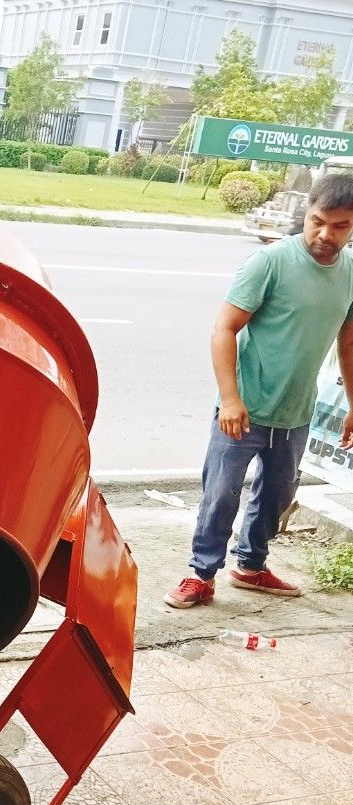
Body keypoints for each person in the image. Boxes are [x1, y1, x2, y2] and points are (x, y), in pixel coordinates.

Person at [164, 172, 353, 609]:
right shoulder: (270, 262)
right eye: (317, 221)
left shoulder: (349, 273)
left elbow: (348, 343)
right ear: (307, 213)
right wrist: (230, 398)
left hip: (296, 412)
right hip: (244, 409)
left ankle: (250, 566)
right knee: (220, 496)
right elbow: (224, 329)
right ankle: (201, 574)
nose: (325, 234)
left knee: (277, 496)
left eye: (340, 226)